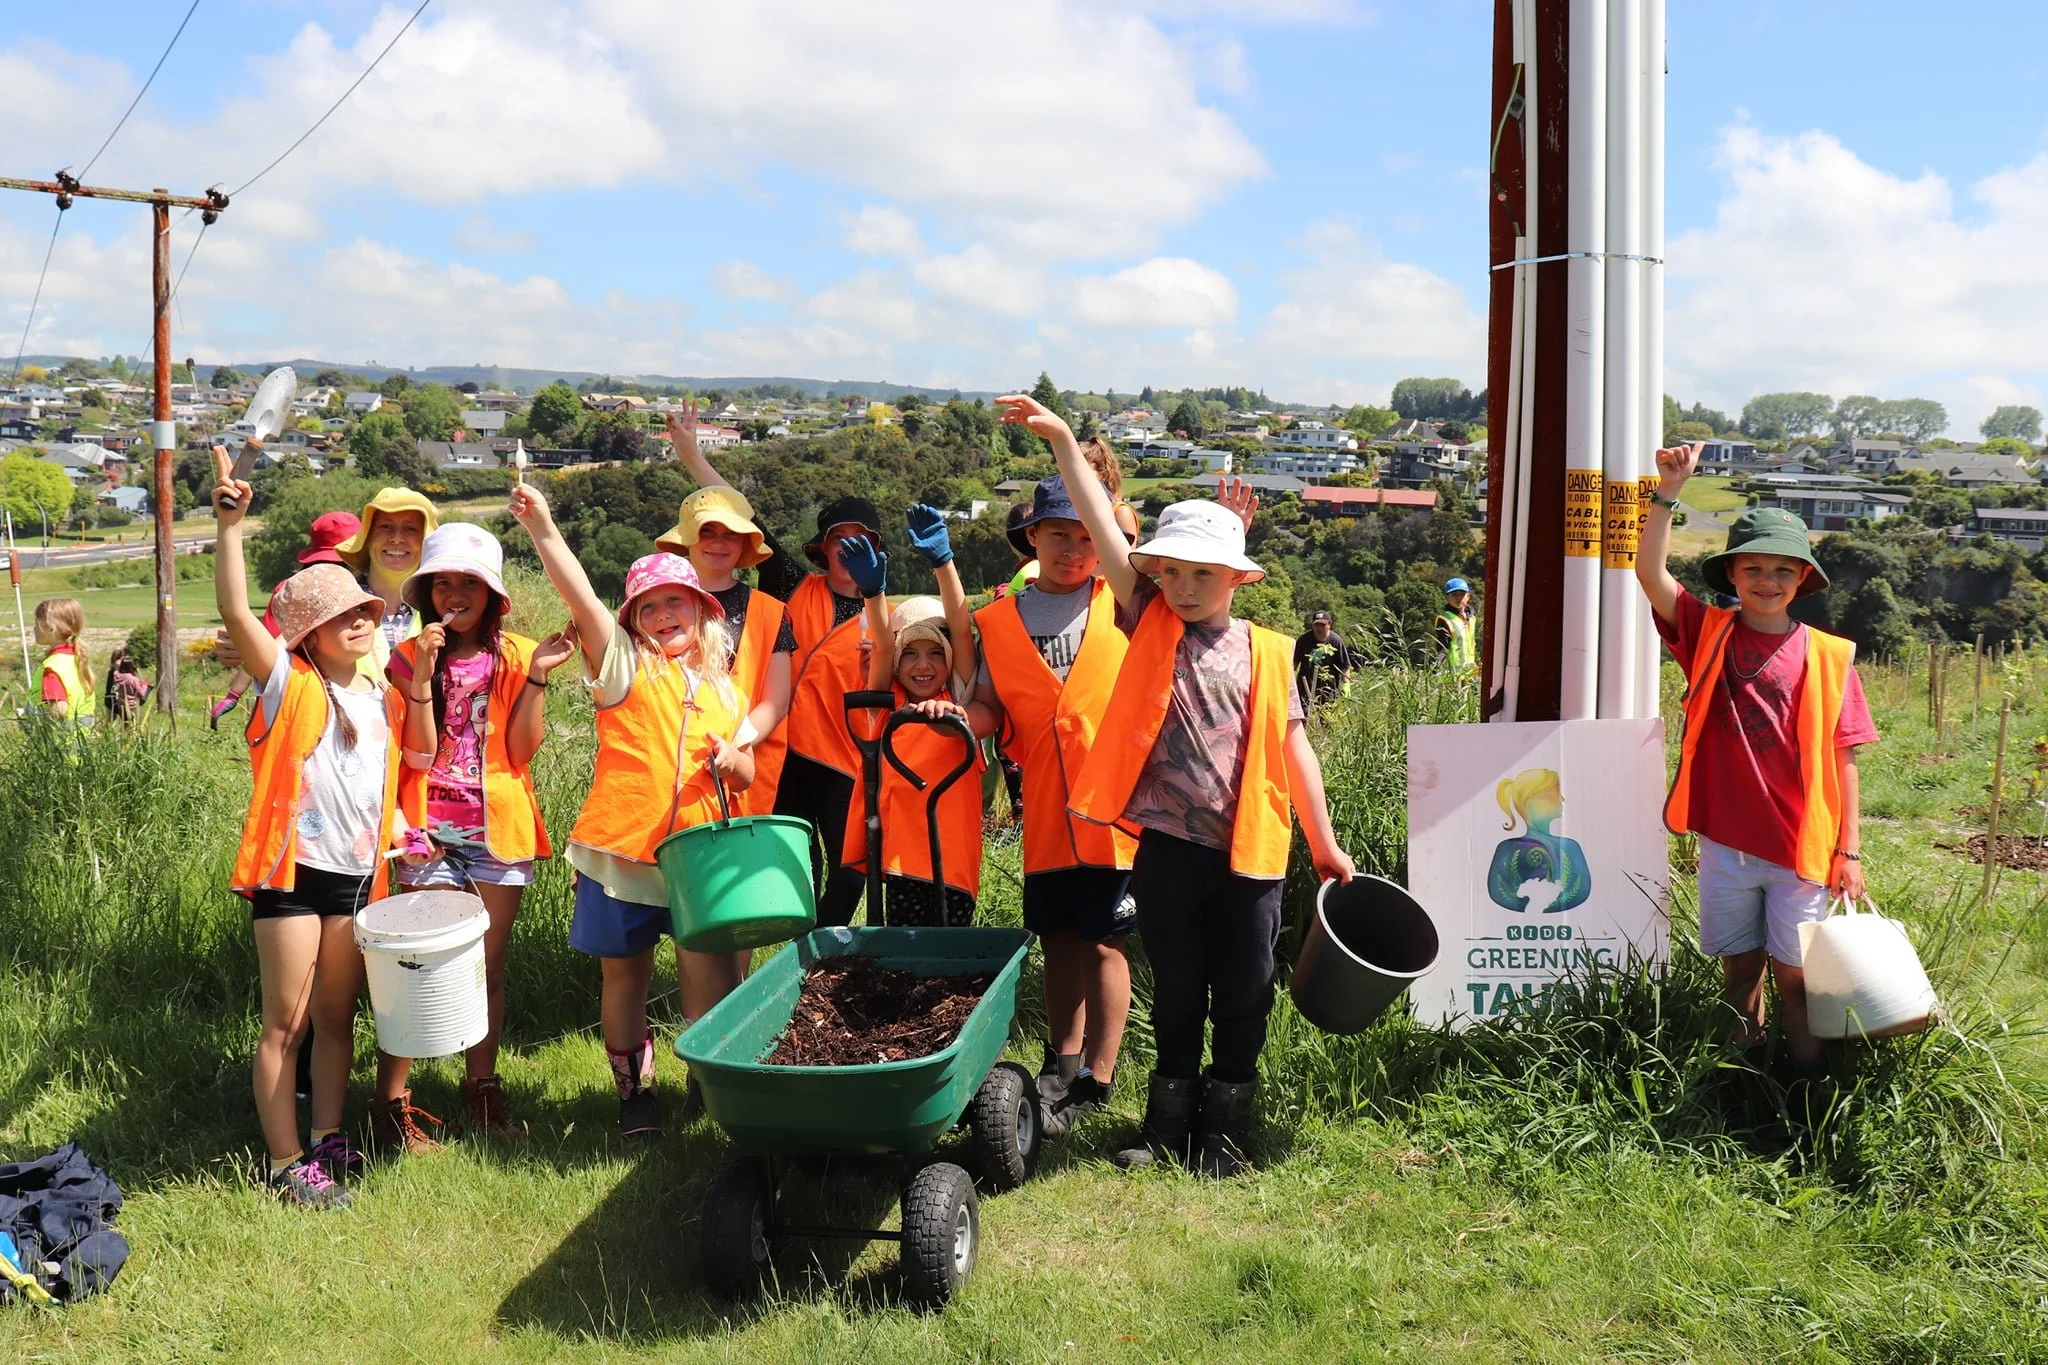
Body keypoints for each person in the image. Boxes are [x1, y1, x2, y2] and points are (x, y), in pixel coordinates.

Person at [998, 394, 1357, 1180]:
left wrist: (1324, 845)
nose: (1186, 588)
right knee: (1178, 992)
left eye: (1205, 575)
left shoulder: (1268, 651)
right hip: (1168, 848)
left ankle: (1225, 1131)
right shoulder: (1149, 619)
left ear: (1238, 578)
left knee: (1246, 992)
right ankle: (1168, 1126)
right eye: (1174, 572)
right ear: (1153, 575)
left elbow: (1295, 746)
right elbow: (1099, 523)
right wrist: (1063, 442)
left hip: (1252, 855)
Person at [509, 481, 753, 1138]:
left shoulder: (726, 686)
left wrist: (740, 762)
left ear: (702, 609)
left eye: (677, 600)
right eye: (648, 606)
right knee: (626, 978)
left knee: (712, 977)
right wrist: (543, 527)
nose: (664, 613)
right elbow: (581, 596)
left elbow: (748, 768)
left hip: (701, 855)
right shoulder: (620, 665)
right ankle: (634, 1094)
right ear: (632, 619)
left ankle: (707, 1085)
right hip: (621, 854)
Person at [1637, 442, 1876, 1071]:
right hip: (1725, 845)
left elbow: (1844, 755)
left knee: (1796, 979)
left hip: (1802, 847)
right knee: (1739, 971)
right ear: (1732, 576)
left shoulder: (1828, 655)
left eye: (1782, 571)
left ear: (1802, 580)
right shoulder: (1708, 633)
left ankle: (1803, 1090)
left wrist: (1848, 850)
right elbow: (1650, 575)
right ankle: (1742, 1078)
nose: (1766, 582)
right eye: (1753, 569)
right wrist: (1668, 494)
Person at [212, 453, 398, 1210]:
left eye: (363, 611)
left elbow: (377, 788)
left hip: (354, 879)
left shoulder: (379, 693)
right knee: (284, 1024)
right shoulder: (287, 682)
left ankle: (328, 1135)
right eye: (340, 616)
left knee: (334, 1019)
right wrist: (230, 528)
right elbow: (231, 611)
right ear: (308, 634)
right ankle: (286, 1163)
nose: (359, 621)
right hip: (291, 876)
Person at [375, 522, 572, 1145]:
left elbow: (520, 751)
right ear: (426, 591)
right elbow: (416, 755)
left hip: (497, 830)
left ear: (492, 594)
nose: (454, 594)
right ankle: (392, 1100)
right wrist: (421, 675)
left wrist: (538, 676)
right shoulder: (405, 657)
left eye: (469, 583)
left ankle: (482, 1088)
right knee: (414, 962)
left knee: (486, 963)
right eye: (443, 583)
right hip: (426, 830)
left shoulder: (515, 655)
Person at [966, 475, 1138, 1135]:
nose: (1073, 548)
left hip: (1113, 811)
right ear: (1032, 536)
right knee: (1058, 937)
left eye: (1086, 536)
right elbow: (987, 701)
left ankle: (1100, 1070)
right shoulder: (996, 620)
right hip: (1042, 807)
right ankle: (1060, 1063)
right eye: (1058, 533)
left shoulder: (1120, 605)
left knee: (1106, 939)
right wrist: (962, 718)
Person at [665, 403, 878, 926]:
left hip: (845, 762)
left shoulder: (887, 616)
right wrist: (692, 456)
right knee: (789, 867)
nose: (848, 549)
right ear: (821, 547)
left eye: (862, 540)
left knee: (852, 868)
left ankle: (822, 950)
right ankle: (797, 958)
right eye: (838, 539)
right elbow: (742, 519)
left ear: (877, 548)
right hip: (780, 755)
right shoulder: (791, 585)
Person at [649, 482, 796, 1029]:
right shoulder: (657, 605)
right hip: (670, 778)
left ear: (746, 545)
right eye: (706, 531)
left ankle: (730, 1037)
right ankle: (702, 1048)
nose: (718, 542)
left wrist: (738, 744)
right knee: (690, 918)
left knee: (736, 912)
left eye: (730, 533)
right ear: (687, 541)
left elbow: (775, 697)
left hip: (745, 774)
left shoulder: (771, 611)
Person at [840, 508, 982, 926]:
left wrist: (943, 562)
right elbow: (883, 647)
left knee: (948, 962)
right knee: (902, 961)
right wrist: (874, 594)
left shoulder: (958, 695)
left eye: (936, 653)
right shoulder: (888, 704)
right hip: (901, 860)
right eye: (912, 654)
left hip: (952, 860)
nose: (924, 665)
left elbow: (960, 628)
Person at [211, 510, 361, 729]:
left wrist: (234, 694)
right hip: (316, 698)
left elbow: (264, 646)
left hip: (298, 699)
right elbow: (268, 648)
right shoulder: (364, 594)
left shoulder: (288, 589)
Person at [333, 488, 440, 677]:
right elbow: (279, 666)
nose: (397, 538)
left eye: (410, 529)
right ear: (368, 536)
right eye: (386, 527)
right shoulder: (334, 603)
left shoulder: (443, 610)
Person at [33, 598, 96, 722]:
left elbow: (59, 711)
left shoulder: (53, 668)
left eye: (37, 624)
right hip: (81, 738)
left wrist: (37, 722)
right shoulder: (77, 659)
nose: (34, 629)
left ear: (51, 627)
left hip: (58, 739)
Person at [1293, 609, 1353, 707]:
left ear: (1329, 624)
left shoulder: (1336, 641)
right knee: (1305, 719)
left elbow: (1344, 666)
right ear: (1312, 625)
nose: (1319, 628)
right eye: (1317, 625)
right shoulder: (1304, 640)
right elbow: (1294, 662)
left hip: (1328, 690)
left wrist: (1346, 684)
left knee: (1325, 720)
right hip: (1305, 689)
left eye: (1322, 625)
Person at [1437, 577, 1478, 678]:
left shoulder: (1472, 618)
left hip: (1470, 675)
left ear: (1468, 596)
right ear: (1447, 598)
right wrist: (1436, 670)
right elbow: (1442, 649)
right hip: (1452, 677)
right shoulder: (1444, 619)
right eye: (1454, 594)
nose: (1458, 598)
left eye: (1462, 594)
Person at [102, 649, 150, 723]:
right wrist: (144, 685)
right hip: (126, 703)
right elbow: (141, 692)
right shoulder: (126, 675)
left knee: (110, 722)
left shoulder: (116, 672)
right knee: (129, 724)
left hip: (112, 699)